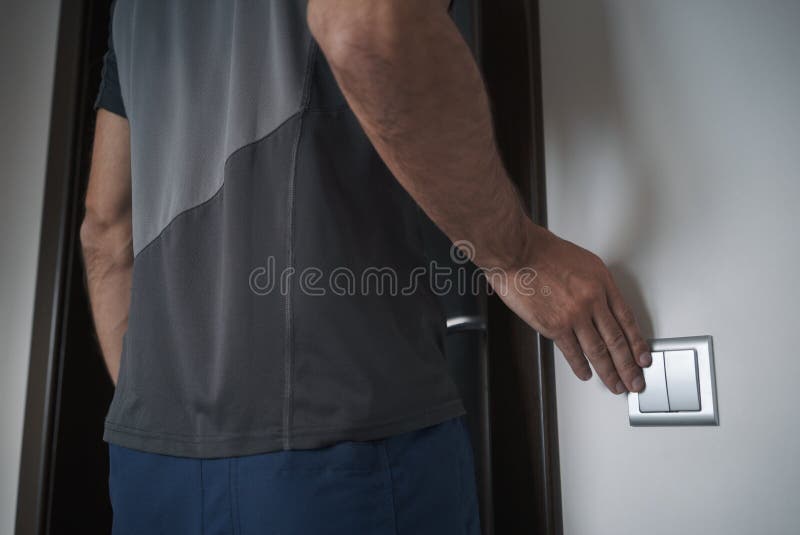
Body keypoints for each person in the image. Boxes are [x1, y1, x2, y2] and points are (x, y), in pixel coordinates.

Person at [82, 0, 652, 533]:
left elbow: (104, 233)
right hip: (341, 450)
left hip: (151, 471)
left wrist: (162, 414)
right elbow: (367, 24)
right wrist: (518, 257)